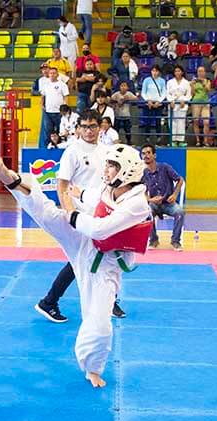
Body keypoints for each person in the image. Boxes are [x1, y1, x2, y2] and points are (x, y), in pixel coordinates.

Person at [0, 145, 151, 388]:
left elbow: (100, 228)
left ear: (127, 171)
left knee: (99, 324)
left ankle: (93, 368)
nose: (106, 170)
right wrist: (78, 193)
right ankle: (13, 182)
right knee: (49, 215)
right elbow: (94, 198)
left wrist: (70, 208)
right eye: (108, 164)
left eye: (112, 166)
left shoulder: (137, 203)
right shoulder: (110, 188)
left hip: (105, 265)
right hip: (85, 243)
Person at [35, 110, 125, 322]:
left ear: (100, 127)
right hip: (80, 216)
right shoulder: (72, 152)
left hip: (102, 213)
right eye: (84, 126)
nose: (88, 131)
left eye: (92, 126)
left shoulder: (107, 151)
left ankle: (52, 301)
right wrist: (70, 213)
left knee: (98, 258)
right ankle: (50, 301)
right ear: (77, 129)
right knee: (83, 260)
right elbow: (62, 186)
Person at [142, 144, 184, 251]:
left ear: (154, 155)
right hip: (154, 205)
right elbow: (141, 192)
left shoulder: (165, 167)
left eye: (148, 153)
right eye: (143, 153)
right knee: (146, 212)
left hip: (168, 204)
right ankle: (154, 240)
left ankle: (175, 241)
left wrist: (175, 194)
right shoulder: (143, 173)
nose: (146, 155)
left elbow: (180, 180)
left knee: (179, 212)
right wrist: (150, 200)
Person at [39, 67, 69, 148]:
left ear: (57, 74)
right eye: (50, 73)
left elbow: (66, 96)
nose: (52, 75)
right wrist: (41, 105)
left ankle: (61, 147)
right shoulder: (46, 85)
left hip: (59, 112)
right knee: (48, 131)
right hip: (48, 112)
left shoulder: (62, 85)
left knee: (60, 131)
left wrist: (65, 106)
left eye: (54, 73)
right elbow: (42, 96)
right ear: (48, 75)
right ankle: (47, 148)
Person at [140, 65, 166, 145]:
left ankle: (158, 138)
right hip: (148, 104)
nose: (154, 72)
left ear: (159, 72)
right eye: (153, 70)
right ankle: (147, 138)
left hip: (158, 104)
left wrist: (159, 101)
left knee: (158, 121)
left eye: (156, 71)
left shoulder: (162, 81)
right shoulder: (146, 80)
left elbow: (164, 93)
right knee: (148, 121)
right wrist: (148, 100)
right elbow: (143, 92)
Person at [166, 65, 191, 147]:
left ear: (182, 72)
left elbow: (189, 95)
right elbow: (167, 94)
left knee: (181, 122)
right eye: (176, 71)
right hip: (173, 104)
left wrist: (184, 100)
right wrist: (171, 101)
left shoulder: (186, 82)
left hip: (182, 105)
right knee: (172, 122)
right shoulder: (170, 82)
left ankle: (180, 141)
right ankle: (173, 140)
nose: (177, 72)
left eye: (179, 71)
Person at [190, 67, 213, 147]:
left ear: (205, 72)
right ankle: (198, 140)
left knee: (206, 122)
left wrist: (203, 83)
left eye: (202, 71)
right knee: (195, 121)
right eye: (199, 71)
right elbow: (192, 93)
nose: (200, 73)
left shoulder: (208, 81)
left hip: (205, 103)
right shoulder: (194, 81)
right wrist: (192, 85)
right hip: (196, 102)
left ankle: (205, 141)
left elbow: (208, 90)